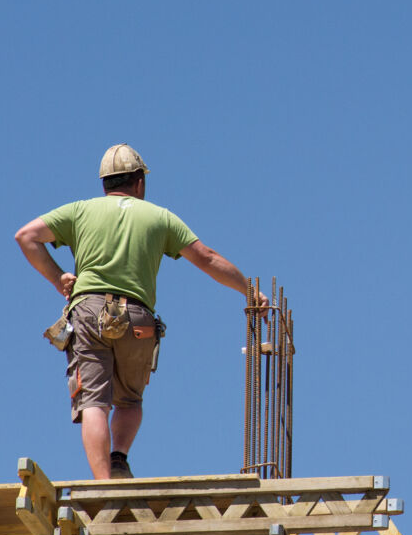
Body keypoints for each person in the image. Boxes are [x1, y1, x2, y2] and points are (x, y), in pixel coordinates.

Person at [15, 144, 267, 480]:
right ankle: (119, 457)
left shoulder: (79, 211)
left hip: (88, 313)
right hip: (137, 320)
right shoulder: (159, 217)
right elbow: (207, 257)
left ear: (103, 183)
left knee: (94, 402)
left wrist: (57, 276)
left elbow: (26, 236)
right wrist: (250, 290)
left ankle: (104, 484)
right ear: (139, 183)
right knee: (130, 401)